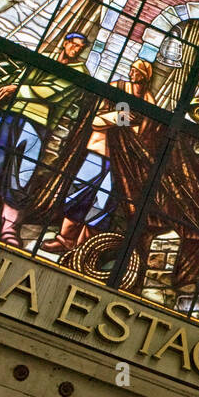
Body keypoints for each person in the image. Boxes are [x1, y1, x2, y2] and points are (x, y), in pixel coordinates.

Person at [0, 32, 89, 246]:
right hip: (11, 115)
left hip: (37, 123)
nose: (77, 49)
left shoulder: (79, 71)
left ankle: (9, 230)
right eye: (74, 45)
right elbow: (18, 74)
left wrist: (16, 90)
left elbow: (52, 92)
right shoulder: (43, 56)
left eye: (81, 47)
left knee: (21, 175)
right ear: (64, 43)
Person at [41, 58, 152, 254]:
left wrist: (130, 125)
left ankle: (84, 248)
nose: (133, 73)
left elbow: (147, 131)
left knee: (104, 202)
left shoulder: (148, 99)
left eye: (138, 71)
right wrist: (119, 119)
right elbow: (95, 120)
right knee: (78, 192)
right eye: (132, 69)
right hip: (98, 151)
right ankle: (65, 239)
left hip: (123, 162)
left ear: (146, 75)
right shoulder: (116, 87)